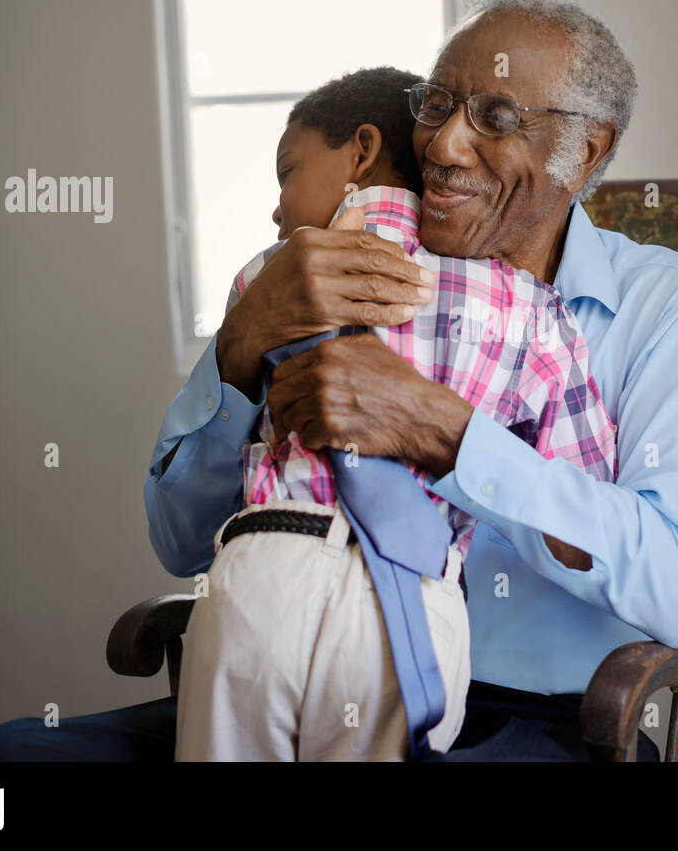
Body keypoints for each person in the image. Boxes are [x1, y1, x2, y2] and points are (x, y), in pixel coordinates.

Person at [0, 0, 678, 762]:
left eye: (495, 119)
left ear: (586, 151)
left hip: (535, 721)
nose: (441, 145)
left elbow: (676, 590)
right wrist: (241, 346)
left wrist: (443, 431)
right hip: (290, 674)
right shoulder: (317, 269)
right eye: (434, 105)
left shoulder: (665, 307)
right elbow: (179, 539)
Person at [176, 68, 617, 761]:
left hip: (262, 572)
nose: (275, 206)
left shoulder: (269, 277)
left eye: (286, 172)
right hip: (413, 598)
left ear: (360, 152)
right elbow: (584, 518)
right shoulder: (531, 308)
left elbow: (194, 502)